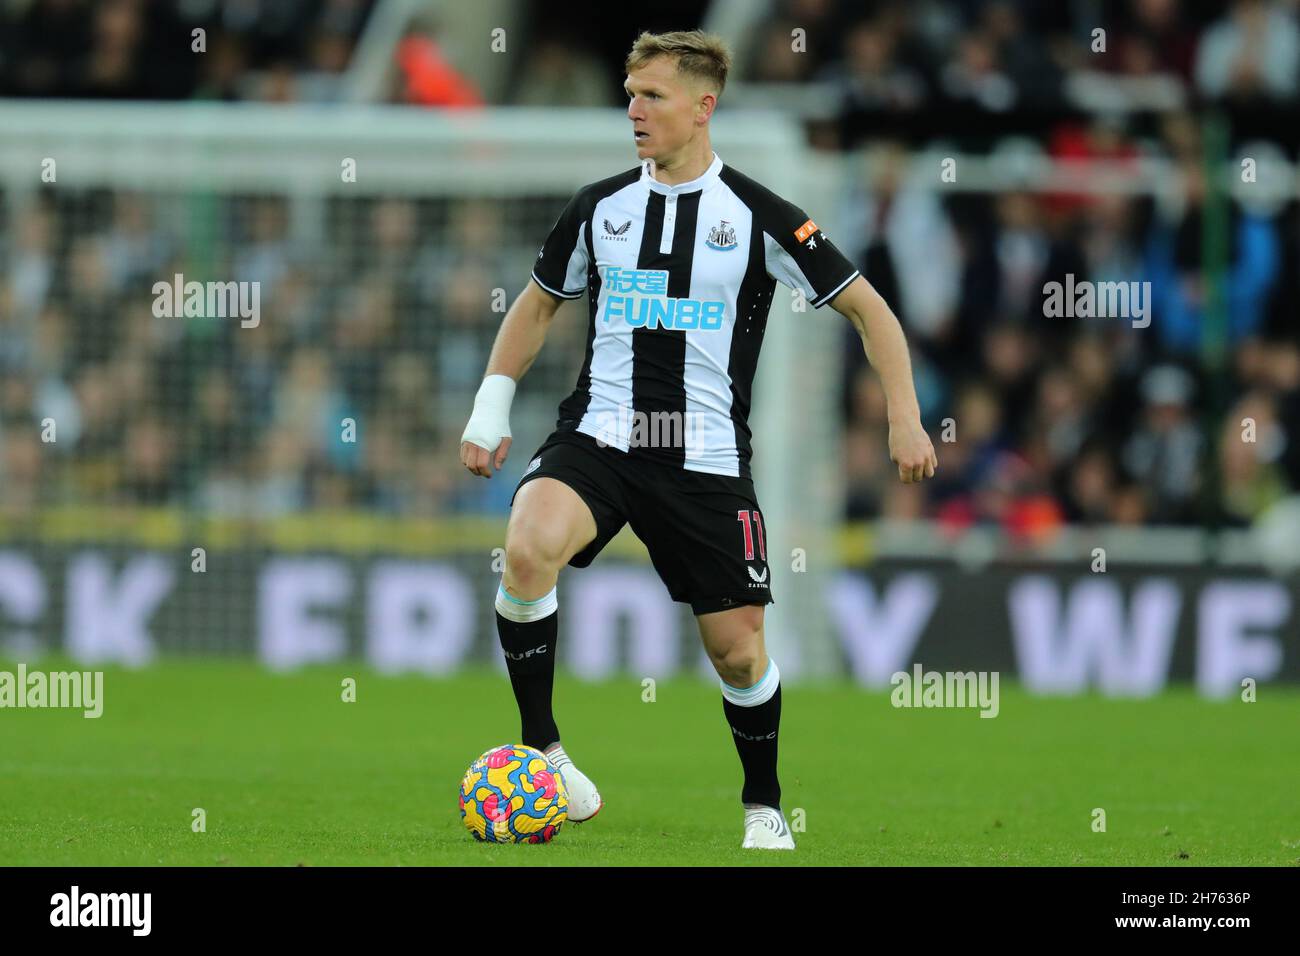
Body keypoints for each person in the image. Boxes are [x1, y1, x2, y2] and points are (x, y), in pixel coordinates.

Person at [459, 29, 936, 849]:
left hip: (704, 456)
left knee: (739, 653)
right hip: (600, 436)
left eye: (653, 96)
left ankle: (763, 805)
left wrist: (904, 414)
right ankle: (545, 755)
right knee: (528, 546)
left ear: (703, 107)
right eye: (631, 93)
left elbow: (871, 308)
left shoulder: (760, 216)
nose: (635, 110)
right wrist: (489, 409)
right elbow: (537, 304)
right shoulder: (600, 207)